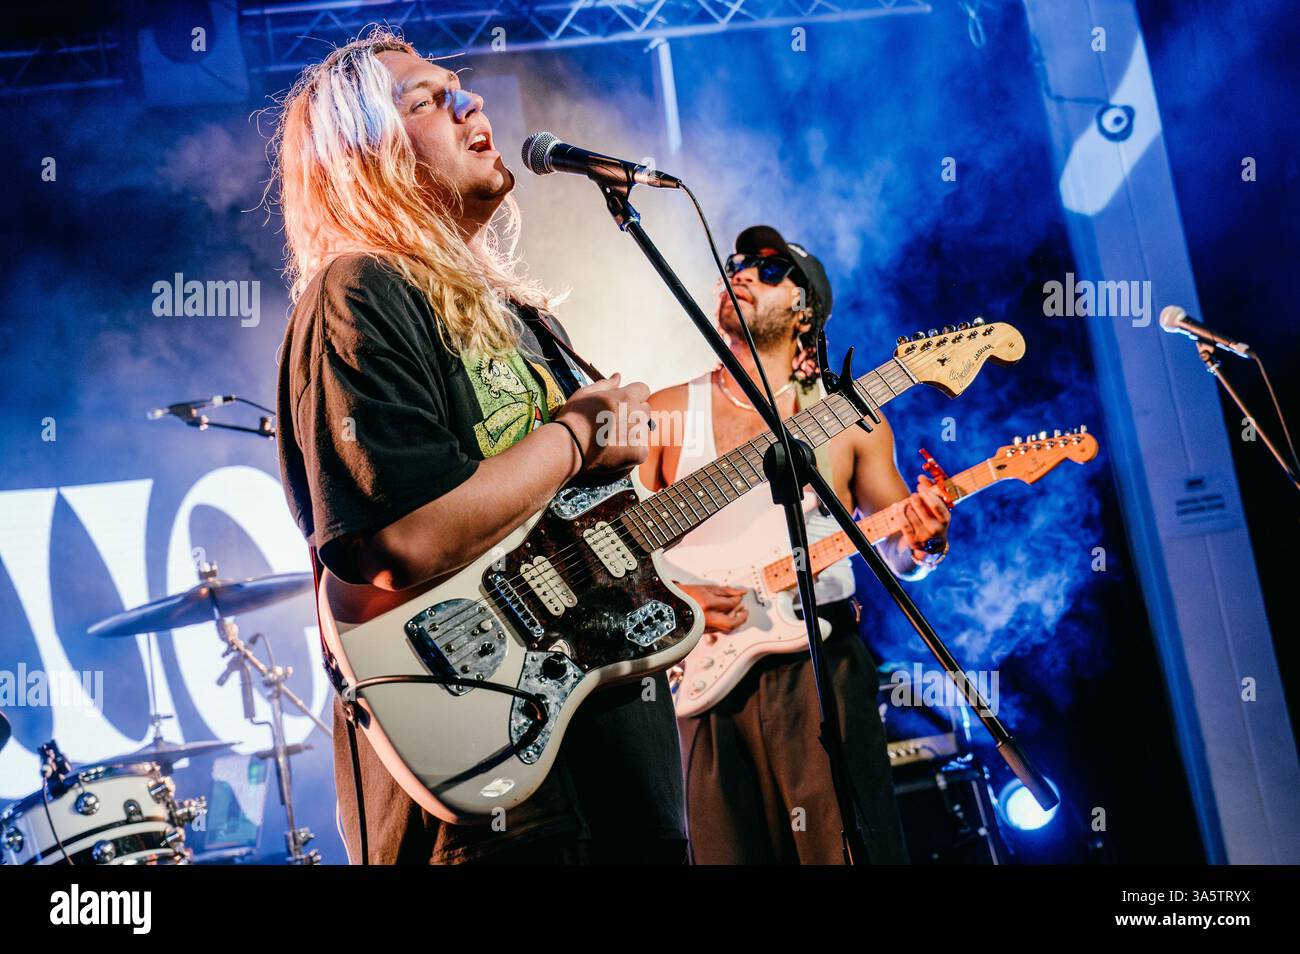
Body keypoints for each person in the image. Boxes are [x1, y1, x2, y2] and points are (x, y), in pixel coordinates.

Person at [273, 28, 685, 864]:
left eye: (458, 86)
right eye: (425, 101)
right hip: (492, 774)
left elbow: (556, 527)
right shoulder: (358, 292)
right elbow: (402, 538)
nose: (472, 102)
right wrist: (578, 435)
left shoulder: (524, 319)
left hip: (609, 757)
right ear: (366, 156)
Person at [641, 226, 951, 864]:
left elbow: (896, 552)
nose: (743, 273)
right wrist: (674, 602)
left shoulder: (851, 416)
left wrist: (926, 542)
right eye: (738, 263)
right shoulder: (666, 411)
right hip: (701, 678)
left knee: (843, 852)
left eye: (769, 268)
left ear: (804, 308)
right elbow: (621, 550)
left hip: (818, 665)